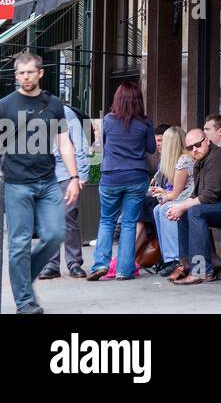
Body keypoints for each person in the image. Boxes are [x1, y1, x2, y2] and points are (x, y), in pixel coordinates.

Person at [0, 52, 82, 314]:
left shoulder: (54, 104)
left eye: (29, 72)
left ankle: (21, 276)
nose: (25, 77)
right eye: (20, 73)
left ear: (40, 73)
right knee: (19, 243)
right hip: (16, 184)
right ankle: (24, 301)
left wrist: (74, 177)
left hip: (47, 182)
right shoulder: (5, 105)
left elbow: (64, 143)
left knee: (56, 233)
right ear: (16, 75)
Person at [87, 82, 156, 281]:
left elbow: (105, 147)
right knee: (129, 223)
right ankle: (124, 270)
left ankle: (101, 264)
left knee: (107, 220)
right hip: (136, 176)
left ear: (117, 99)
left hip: (111, 177)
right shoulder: (145, 122)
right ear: (138, 100)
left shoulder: (107, 120)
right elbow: (151, 148)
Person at [166, 129, 221, 284]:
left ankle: (201, 271)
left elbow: (209, 197)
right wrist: (179, 208)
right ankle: (187, 263)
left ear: (207, 140)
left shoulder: (217, 158)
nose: (194, 149)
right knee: (187, 211)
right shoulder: (200, 162)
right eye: (190, 148)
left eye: (198, 145)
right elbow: (197, 195)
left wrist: (182, 206)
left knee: (195, 212)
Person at [37, 101, 91, 280]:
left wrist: (81, 174)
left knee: (68, 216)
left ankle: (74, 262)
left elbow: (80, 144)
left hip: (65, 173)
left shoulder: (64, 113)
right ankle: (51, 264)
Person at [148, 126, 195, 276]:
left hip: (190, 198)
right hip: (184, 196)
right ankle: (167, 257)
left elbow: (175, 194)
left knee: (164, 209)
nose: (159, 145)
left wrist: (162, 193)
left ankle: (175, 258)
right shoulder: (178, 159)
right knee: (156, 209)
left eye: (163, 141)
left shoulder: (184, 160)